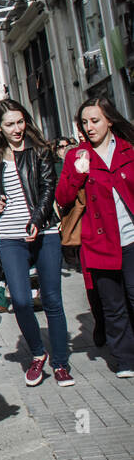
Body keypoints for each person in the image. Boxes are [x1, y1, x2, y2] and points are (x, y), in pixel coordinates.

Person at [0, 98, 72, 387]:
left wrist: (36, 219)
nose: (17, 128)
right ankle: (38, 354)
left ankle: (61, 363)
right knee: (21, 301)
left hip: (44, 231)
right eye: (10, 124)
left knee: (52, 300)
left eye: (20, 121)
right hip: (10, 235)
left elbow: (48, 189)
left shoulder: (41, 151)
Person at [56, 96, 134, 380]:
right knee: (112, 306)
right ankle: (125, 358)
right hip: (100, 242)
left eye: (95, 120)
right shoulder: (77, 156)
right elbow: (62, 197)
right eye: (85, 122)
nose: (89, 127)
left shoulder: (128, 149)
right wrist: (78, 174)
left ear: (110, 120)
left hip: (131, 238)